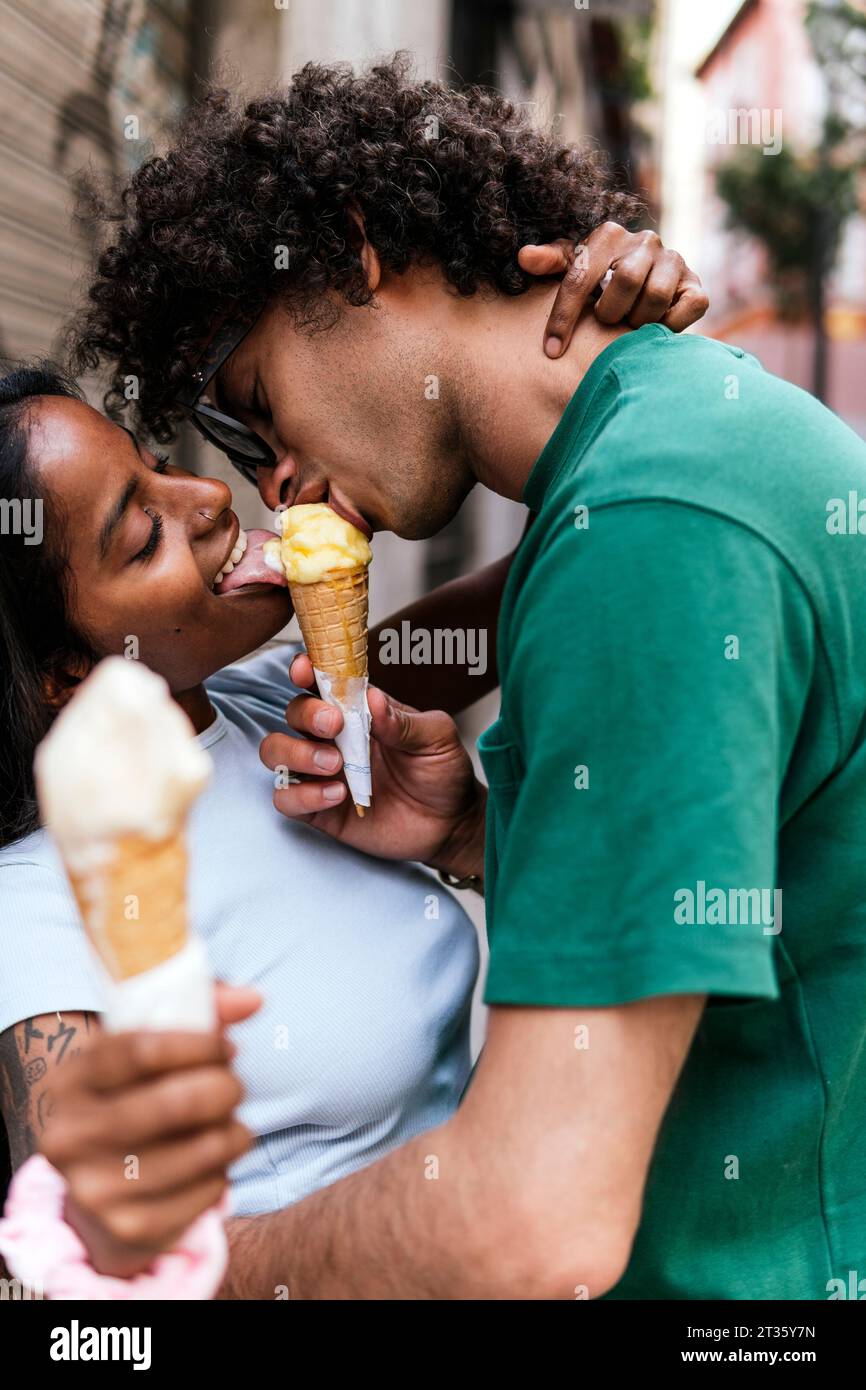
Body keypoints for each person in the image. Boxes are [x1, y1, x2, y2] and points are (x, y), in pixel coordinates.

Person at [54, 53, 866, 1301]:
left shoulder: (651, 523)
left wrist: (193, 1278)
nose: (266, 485)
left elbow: (530, 1219)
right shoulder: (648, 452)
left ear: (352, 251)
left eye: (254, 411)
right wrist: (484, 831)